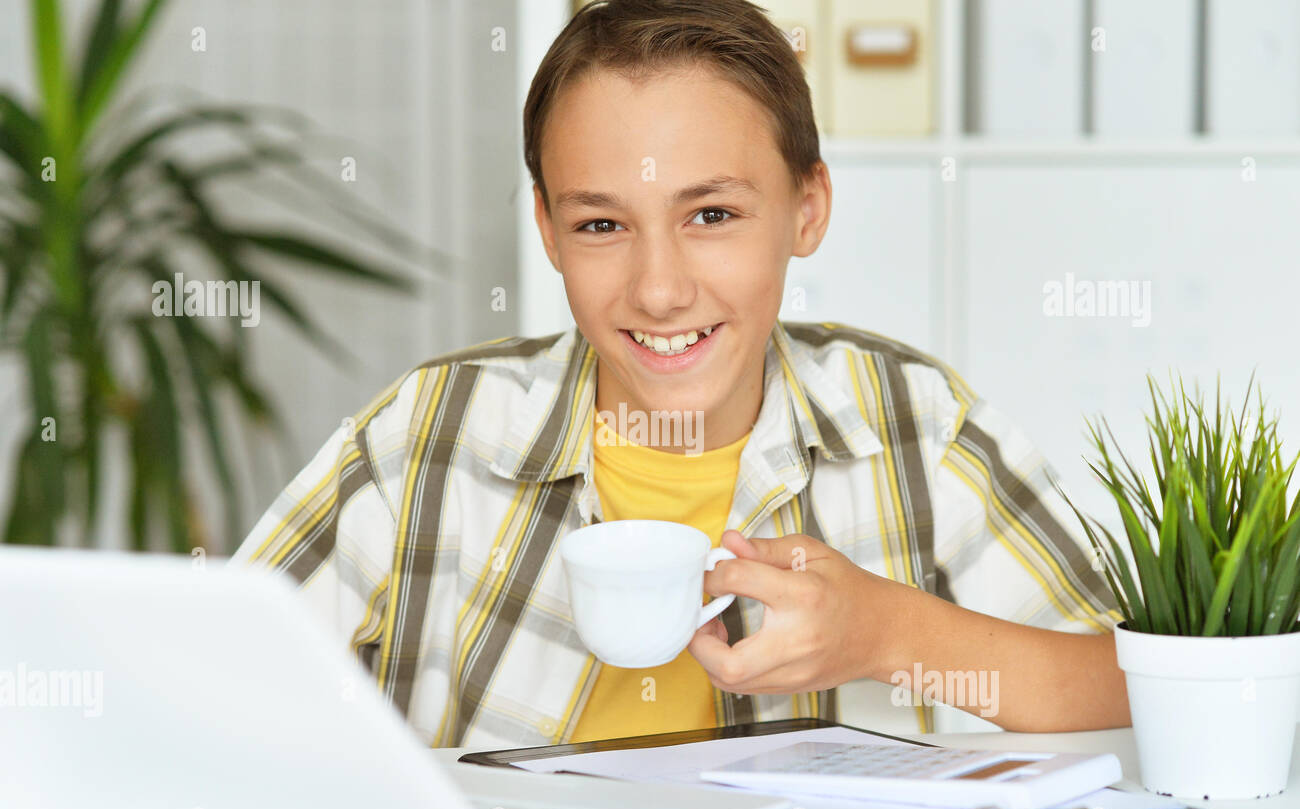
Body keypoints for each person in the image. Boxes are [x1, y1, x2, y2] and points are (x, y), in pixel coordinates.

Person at [232, 0, 1127, 749]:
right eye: (601, 226)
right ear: (546, 228)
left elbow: (1130, 689)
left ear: (806, 208)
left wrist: (888, 632)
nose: (660, 290)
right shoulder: (429, 434)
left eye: (711, 213)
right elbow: (210, 682)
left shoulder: (915, 424)